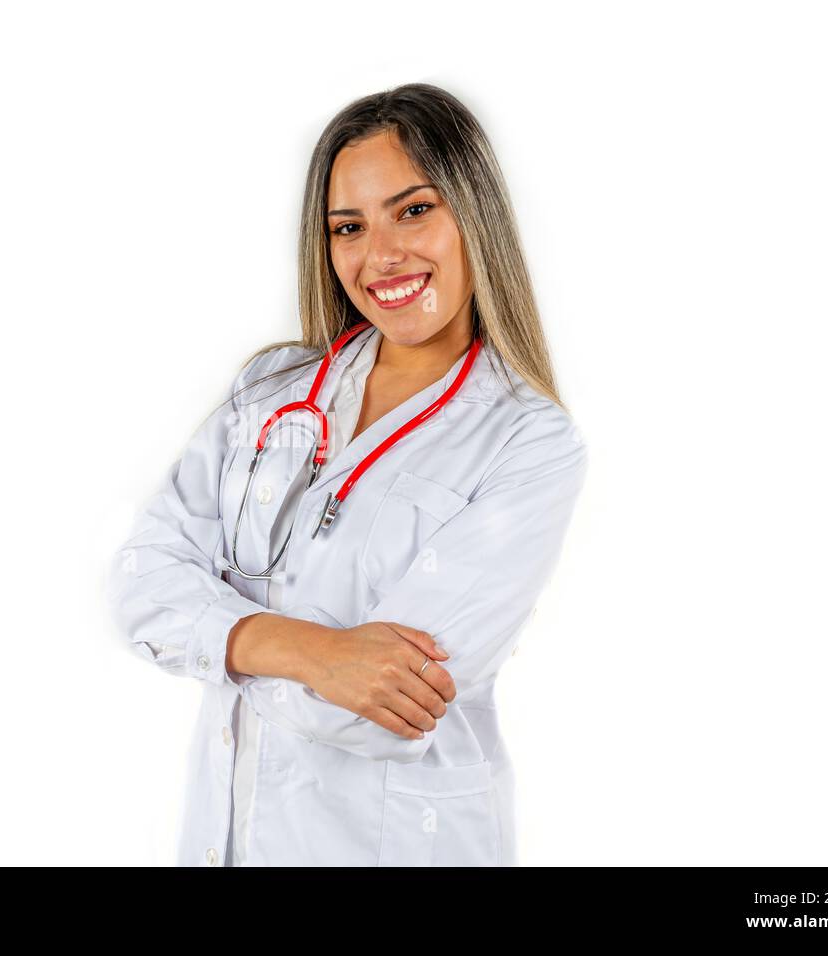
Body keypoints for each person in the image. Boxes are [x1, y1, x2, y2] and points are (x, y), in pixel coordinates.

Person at [105, 83, 588, 866]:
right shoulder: (270, 393)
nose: (381, 255)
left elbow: (384, 709)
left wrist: (214, 638)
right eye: (348, 227)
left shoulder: (530, 443)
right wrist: (311, 652)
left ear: (475, 213)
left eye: (415, 210)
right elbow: (137, 585)